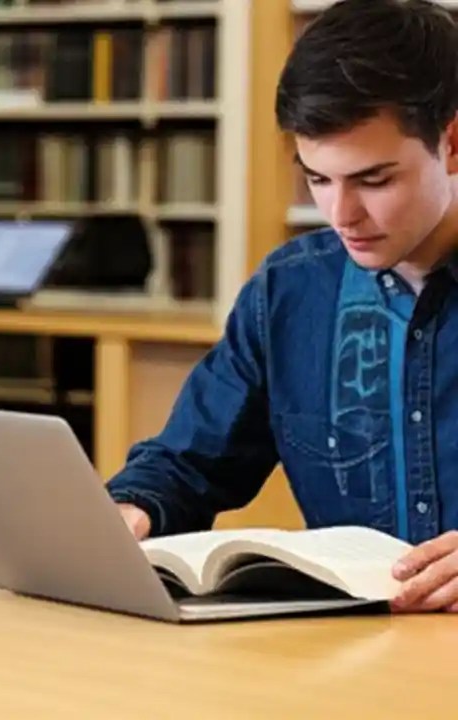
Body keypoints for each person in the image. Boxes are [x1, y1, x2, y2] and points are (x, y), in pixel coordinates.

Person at [106, 0, 458, 614]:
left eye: (374, 180)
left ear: (452, 143)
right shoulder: (291, 291)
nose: (341, 216)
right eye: (318, 179)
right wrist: (129, 512)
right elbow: (189, 462)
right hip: (354, 661)